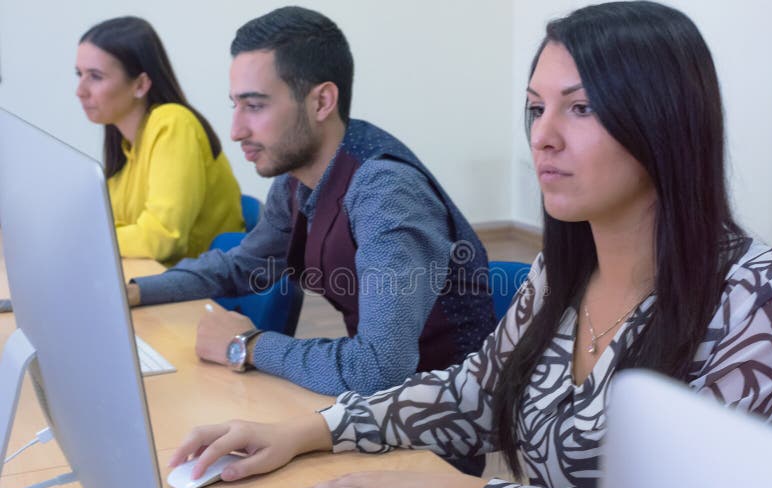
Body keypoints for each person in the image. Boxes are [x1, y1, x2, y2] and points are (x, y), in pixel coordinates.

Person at [166, 1, 772, 488]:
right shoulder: (565, 272)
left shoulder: (765, 304)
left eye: (580, 108)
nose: (543, 136)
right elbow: (474, 390)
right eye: (535, 108)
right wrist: (308, 432)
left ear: (665, 124)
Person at [126, 7, 496, 400]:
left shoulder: (385, 192)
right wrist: (135, 291)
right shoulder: (297, 178)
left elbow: (377, 369)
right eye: (235, 105)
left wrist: (247, 344)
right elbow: (242, 266)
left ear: (322, 102)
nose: (235, 131)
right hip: (374, 409)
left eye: (255, 106)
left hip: (432, 425)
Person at [76, 17, 244, 265]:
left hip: (206, 293)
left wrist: (91, 238)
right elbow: (110, 224)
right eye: (79, 74)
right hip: (163, 283)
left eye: (96, 76)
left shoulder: (173, 124)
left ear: (141, 84)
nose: (80, 90)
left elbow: (164, 239)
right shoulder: (126, 147)